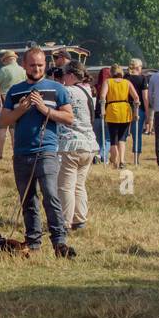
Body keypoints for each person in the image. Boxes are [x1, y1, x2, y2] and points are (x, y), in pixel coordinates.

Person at [0, 48, 75, 257]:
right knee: (28, 200)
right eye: (33, 65)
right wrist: (20, 110)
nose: (37, 68)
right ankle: (33, 243)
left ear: (45, 64)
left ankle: (60, 242)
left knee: (51, 195)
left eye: (40, 65)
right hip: (21, 153)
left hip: (46, 151)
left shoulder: (56, 89)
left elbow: (69, 118)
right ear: (24, 65)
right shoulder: (15, 91)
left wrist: (45, 110)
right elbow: (3, 121)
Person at [56, 61, 97, 231]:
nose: (63, 78)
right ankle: (79, 219)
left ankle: (65, 222)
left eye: (64, 75)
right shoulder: (88, 90)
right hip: (89, 144)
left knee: (65, 185)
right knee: (79, 185)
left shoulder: (67, 91)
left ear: (71, 75)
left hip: (71, 143)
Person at [102, 64, 140, 170]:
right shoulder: (127, 83)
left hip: (112, 110)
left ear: (111, 73)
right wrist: (136, 111)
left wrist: (102, 109)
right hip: (125, 110)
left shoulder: (108, 82)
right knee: (122, 138)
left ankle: (114, 161)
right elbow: (136, 97)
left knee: (113, 138)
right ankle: (122, 161)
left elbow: (102, 96)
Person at [0, 50, 25, 160]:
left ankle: (0, 154)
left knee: (2, 127)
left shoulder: (3, 70)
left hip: (5, 99)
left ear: (7, 60)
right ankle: (16, 153)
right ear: (15, 59)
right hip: (19, 101)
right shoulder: (23, 70)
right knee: (14, 129)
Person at [127, 59, 148, 165]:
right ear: (137, 67)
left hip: (125, 107)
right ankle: (136, 159)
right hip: (138, 109)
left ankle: (120, 158)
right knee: (137, 134)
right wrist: (148, 113)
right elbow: (145, 97)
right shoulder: (143, 79)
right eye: (141, 66)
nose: (142, 68)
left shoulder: (126, 78)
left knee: (122, 134)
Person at [93, 66, 112, 163]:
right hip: (106, 115)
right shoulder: (110, 85)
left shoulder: (96, 86)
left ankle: (98, 155)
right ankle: (102, 156)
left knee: (99, 140)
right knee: (108, 139)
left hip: (96, 116)